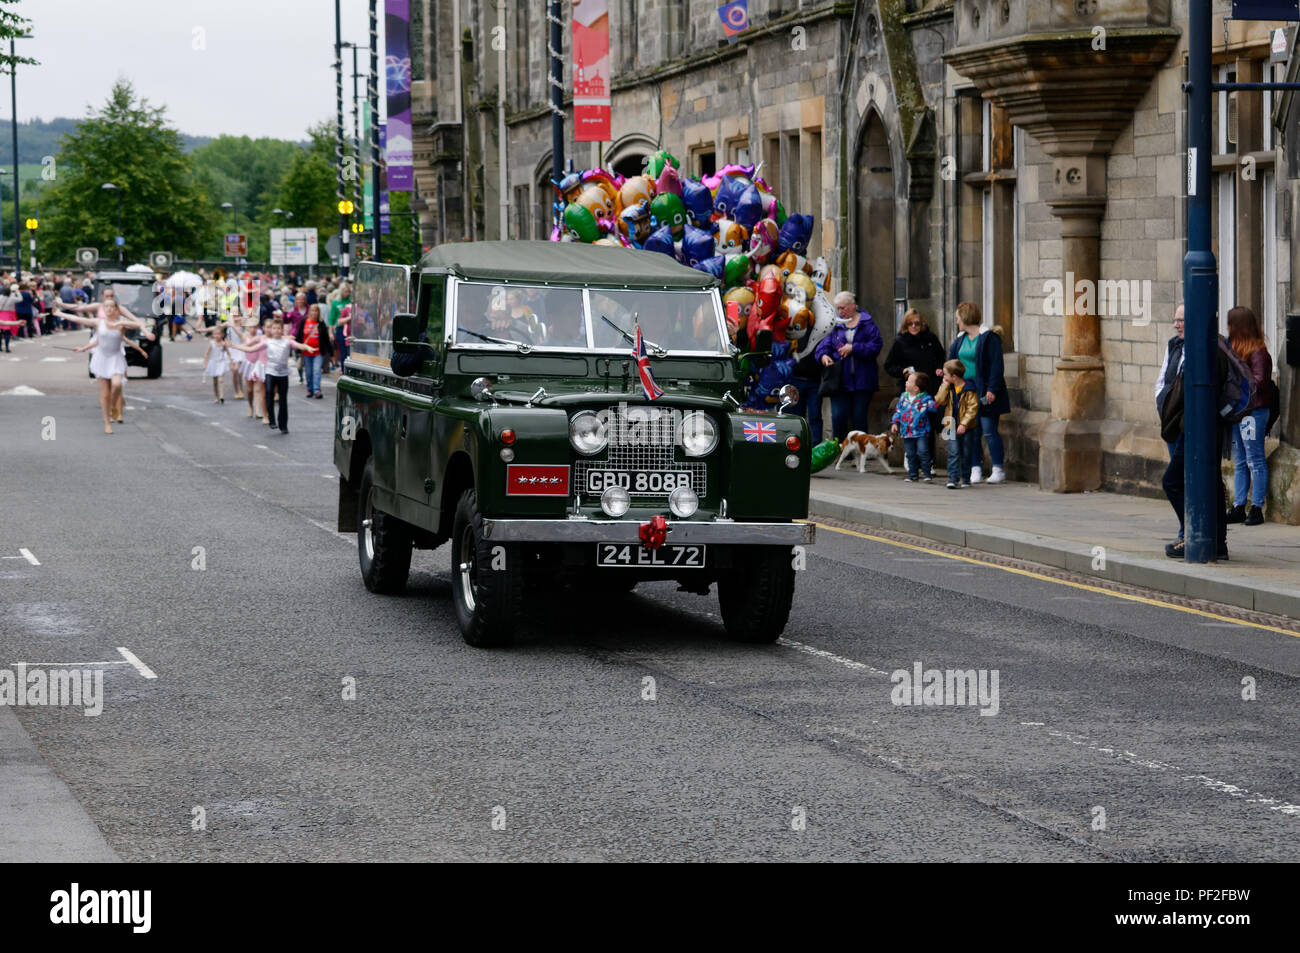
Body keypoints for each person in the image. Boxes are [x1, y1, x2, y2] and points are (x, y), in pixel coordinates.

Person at [1156, 304, 1230, 560]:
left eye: (1182, 320)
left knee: (1173, 481)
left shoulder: (1210, 347)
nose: (1177, 325)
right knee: (1210, 483)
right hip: (1185, 425)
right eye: (1175, 320)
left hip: (1199, 428)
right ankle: (1215, 543)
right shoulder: (1184, 345)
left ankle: (1197, 534)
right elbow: (1166, 382)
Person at [943, 302, 1009, 484]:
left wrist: (992, 389)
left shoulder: (989, 338)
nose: (956, 321)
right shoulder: (959, 340)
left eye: (958, 317)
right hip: (965, 392)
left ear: (965, 318)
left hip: (984, 390)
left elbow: (997, 366)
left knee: (988, 429)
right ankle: (975, 468)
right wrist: (945, 374)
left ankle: (997, 468)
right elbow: (952, 362)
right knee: (971, 431)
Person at [1224, 305, 1273, 526]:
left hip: (1253, 412)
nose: (1227, 328)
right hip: (1237, 412)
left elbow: (1259, 383)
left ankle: (1256, 507)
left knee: (1255, 459)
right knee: (1240, 460)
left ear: (1239, 327)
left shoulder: (1258, 352)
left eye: (1230, 323)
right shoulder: (1233, 349)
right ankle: (1239, 505)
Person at [815, 291, 882, 440]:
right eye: (838, 308)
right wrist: (823, 356)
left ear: (853, 305)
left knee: (859, 418)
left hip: (863, 380)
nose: (840, 311)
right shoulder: (835, 325)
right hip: (839, 380)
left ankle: (860, 453)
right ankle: (839, 450)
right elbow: (823, 345)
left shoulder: (867, 323)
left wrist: (854, 348)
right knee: (838, 416)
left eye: (843, 308)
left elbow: (876, 346)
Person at [63, 300, 135, 434]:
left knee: (117, 384)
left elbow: (137, 325)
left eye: (111, 306)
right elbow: (79, 319)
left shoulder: (121, 324)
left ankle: (114, 407)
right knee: (105, 393)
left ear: (116, 310)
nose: (108, 309)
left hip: (115, 357)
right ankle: (107, 422)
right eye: (106, 306)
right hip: (102, 358)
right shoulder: (98, 322)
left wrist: (141, 328)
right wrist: (60, 313)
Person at [232, 318, 313, 433]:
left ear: (282, 330)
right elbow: (250, 348)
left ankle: (283, 425)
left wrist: (308, 347)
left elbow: (299, 345)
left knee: (283, 400)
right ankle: (271, 419)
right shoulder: (266, 342)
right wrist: (234, 346)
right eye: (274, 328)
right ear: (271, 330)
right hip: (270, 372)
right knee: (269, 393)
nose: (276, 330)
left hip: (283, 374)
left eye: (279, 328)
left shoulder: (287, 341)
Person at [885, 307, 946, 459]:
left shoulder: (930, 338)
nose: (914, 327)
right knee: (910, 423)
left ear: (922, 324)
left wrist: (939, 368)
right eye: (910, 324)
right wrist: (903, 371)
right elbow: (889, 365)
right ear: (906, 325)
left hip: (929, 386)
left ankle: (928, 460)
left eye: (917, 324)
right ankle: (911, 458)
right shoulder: (900, 341)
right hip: (910, 389)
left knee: (929, 423)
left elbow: (941, 356)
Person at [934, 359, 979, 489]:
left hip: (967, 427)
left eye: (945, 374)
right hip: (950, 424)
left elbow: (972, 408)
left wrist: (964, 424)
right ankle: (952, 478)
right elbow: (939, 401)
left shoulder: (969, 389)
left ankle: (965, 478)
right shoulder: (949, 387)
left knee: (966, 453)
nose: (944, 377)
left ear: (954, 376)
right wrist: (944, 385)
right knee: (953, 452)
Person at [891, 371, 939, 482]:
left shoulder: (925, 399)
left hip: (921, 431)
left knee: (923, 452)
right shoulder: (903, 397)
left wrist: (938, 400)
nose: (906, 382)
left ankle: (927, 473)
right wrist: (895, 422)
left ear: (916, 388)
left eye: (909, 381)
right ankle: (913, 474)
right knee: (910, 454)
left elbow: (934, 408)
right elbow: (898, 411)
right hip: (906, 431)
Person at [298, 303, 327, 398]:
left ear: (318, 312)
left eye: (316, 311)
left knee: (316, 370)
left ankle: (317, 390)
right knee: (309, 372)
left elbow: (325, 338)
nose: (314, 313)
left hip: (318, 352)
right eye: (312, 310)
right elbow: (299, 336)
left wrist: (329, 352)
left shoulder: (321, 323)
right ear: (309, 312)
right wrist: (299, 350)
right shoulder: (304, 321)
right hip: (306, 352)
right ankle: (310, 389)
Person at [203, 325, 231, 404]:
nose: (216, 336)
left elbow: (228, 353)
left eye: (218, 334)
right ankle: (216, 396)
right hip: (213, 362)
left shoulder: (223, 343)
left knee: (221, 379)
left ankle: (222, 396)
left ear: (222, 335)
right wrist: (205, 364)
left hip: (221, 362)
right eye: (215, 334)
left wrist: (230, 362)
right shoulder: (211, 343)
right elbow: (207, 354)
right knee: (215, 381)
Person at [328, 281, 351, 370]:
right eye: (345, 291)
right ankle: (343, 369)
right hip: (340, 328)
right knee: (343, 350)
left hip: (350, 328)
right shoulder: (335, 302)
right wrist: (330, 332)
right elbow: (332, 318)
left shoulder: (351, 301)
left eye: (348, 291)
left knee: (350, 350)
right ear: (341, 291)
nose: (347, 293)